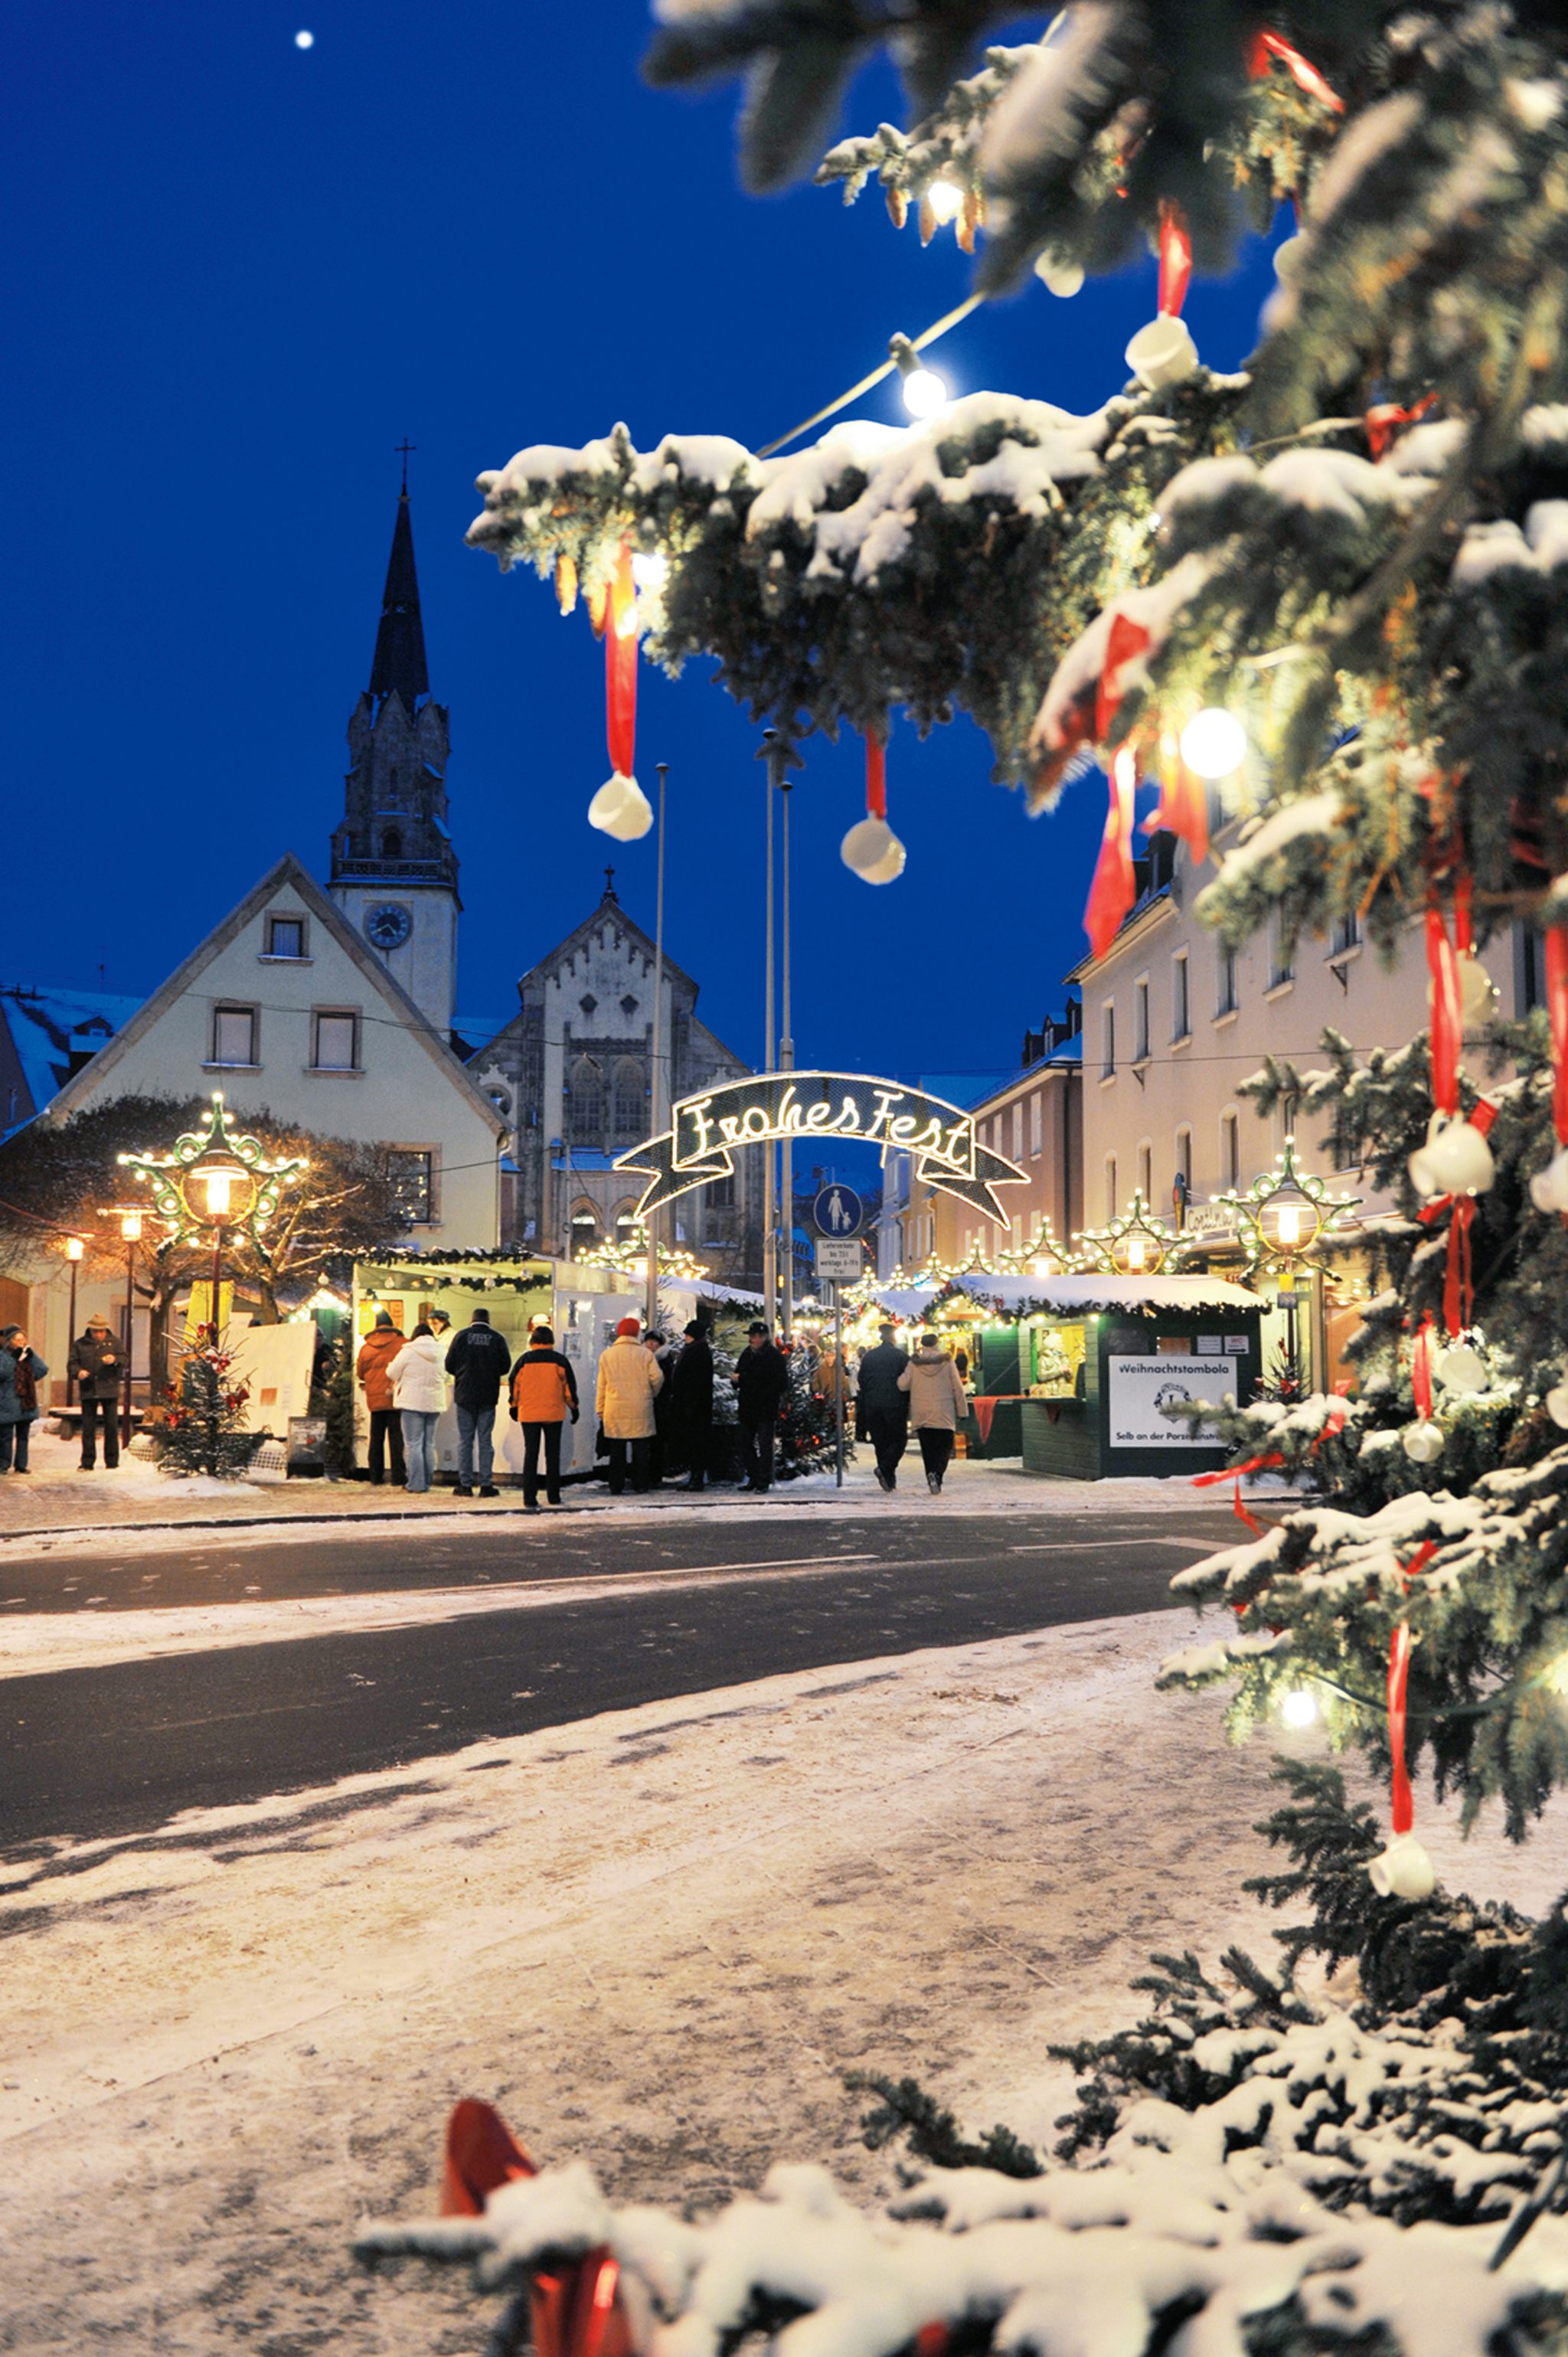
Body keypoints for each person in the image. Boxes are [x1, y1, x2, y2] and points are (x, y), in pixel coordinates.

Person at [508, 1324, 580, 1509]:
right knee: (553, 1455)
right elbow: (569, 1389)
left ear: (532, 1341)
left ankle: (529, 1498)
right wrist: (574, 1407)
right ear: (551, 1341)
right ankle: (553, 1496)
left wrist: (514, 1406)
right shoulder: (560, 1361)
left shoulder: (524, 1360)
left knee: (531, 1455)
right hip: (553, 1413)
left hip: (529, 1414)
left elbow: (514, 1385)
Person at [444, 1307, 512, 1498]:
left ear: (472, 1319)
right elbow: (505, 1366)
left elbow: (449, 1364)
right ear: (488, 1320)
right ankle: (486, 1485)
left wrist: (462, 1375)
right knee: (485, 1440)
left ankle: (465, 1485)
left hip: (465, 1395)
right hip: (488, 1396)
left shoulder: (461, 1336)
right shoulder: (497, 1338)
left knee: (465, 1441)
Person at [595, 1315, 662, 1495]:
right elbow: (657, 1378)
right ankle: (641, 1484)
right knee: (641, 1448)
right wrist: (651, 1393)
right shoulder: (646, 1354)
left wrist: (600, 1408)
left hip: (615, 1407)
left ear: (619, 1333)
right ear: (637, 1333)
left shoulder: (607, 1355)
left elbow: (602, 1384)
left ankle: (616, 1485)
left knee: (617, 1449)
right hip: (641, 1406)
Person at [897, 1332, 968, 1495]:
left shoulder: (914, 1363)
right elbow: (957, 1387)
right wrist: (962, 1411)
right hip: (944, 1412)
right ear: (937, 1344)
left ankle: (931, 1474)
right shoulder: (947, 1362)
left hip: (921, 1412)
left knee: (928, 1448)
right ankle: (937, 1474)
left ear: (922, 1345)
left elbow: (902, 1384)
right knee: (944, 1447)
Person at [387, 1319, 448, 1495]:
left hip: (412, 1403)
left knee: (414, 1444)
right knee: (428, 1444)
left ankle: (415, 1484)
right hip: (434, 1403)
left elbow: (392, 1373)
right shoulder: (442, 1352)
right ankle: (427, 1482)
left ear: (415, 1336)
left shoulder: (408, 1351)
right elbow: (446, 1375)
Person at [855, 1320, 910, 1492]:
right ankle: (885, 1470)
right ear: (893, 1337)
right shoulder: (901, 1357)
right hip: (895, 1404)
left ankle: (888, 1478)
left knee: (880, 1442)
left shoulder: (869, 1356)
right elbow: (907, 1381)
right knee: (899, 1440)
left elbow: (861, 1380)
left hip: (872, 1405)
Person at [733, 1319, 787, 1492]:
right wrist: (736, 1380)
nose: (753, 1340)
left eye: (757, 1336)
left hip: (765, 1409)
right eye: (752, 1336)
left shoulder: (773, 1356)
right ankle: (753, 1477)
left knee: (765, 1446)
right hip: (747, 1408)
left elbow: (778, 1382)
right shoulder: (747, 1354)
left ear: (764, 1337)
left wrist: (743, 1379)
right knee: (745, 1444)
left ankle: (763, 1481)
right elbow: (739, 1373)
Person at [68, 1310, 124, 1470]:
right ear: (90, 1330)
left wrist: (115, 1360)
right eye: (95, 1331)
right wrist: (78, 1372)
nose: (98, 1334)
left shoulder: (115, 1343)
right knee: (88, 1427)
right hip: (89, 1389)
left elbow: (124, 1359)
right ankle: (87, 1461)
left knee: (111, 1426)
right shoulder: (80, 1345)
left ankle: (112, 1461)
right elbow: (72, 1364)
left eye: (101, 1331)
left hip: (109, 1388)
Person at [356, 1309, 406, 1486]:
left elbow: (360, 1373)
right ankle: (398, 1477)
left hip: (375, 1400)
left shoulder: (366, 1348)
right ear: (392, 1325)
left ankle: (375, 1476)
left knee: (376, 1439)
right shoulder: (403, 1344)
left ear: (376, 1326)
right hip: (395, 1398)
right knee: (396, 1439)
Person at [669, 1319, 714, 1491]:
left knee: (696, 1443)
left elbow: (695, 1381)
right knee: (694, 1442)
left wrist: (688, 1404)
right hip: (693, 1405)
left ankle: (697, 1478)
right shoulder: (695, 1349)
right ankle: (695, 1476)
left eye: (688, 1334)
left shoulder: (697, 1351)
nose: (685, 1337)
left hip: (694, 1406)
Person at [0, 1326, 47, 1476]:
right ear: (10, 1342)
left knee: (23, 1436)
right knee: (6, 1437)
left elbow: (42, 1370)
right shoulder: (3, 1355)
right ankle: (3, 1464)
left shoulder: (27, 1356)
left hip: (26, 1402)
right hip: (8, 1401)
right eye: (18, 1340)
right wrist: (14, 1359)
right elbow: (3, 1373)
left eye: (23, 1339)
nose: (21, 1342)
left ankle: (21, 1465)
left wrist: (32, 1356)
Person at [644, 1329, 677, 1486]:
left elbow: (665, 1382)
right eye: (649, 1341)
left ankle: (655, 1474)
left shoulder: (664, 1359)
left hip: (660, 1405)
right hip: (648, 1404)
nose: (651, 1344)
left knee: (657, 1441)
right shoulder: (644, 1357)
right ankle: (650, 1473)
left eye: (655, 1342)